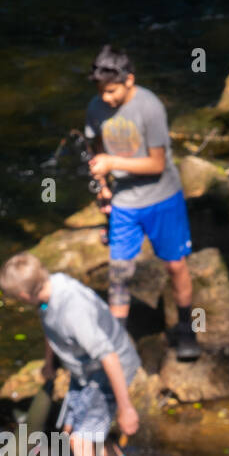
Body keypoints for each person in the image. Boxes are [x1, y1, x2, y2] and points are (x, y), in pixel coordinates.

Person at [85, 44, 201, 362]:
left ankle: (186, 327)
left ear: (129, 80)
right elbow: (95, 150)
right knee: (120, 271)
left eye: (111, 91)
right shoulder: (95, 109)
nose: (105, 98)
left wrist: (110, 163)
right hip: (124, 202)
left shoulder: (150, 108)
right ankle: (119, 343)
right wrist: (103, 188)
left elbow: (156, 164)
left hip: (162, 198)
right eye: (101, 91)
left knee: (176, 265)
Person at [0, 252, 144, 456]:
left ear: (23, 296)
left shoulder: (73, 311)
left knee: (80, 441)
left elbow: (109, 357)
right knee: (75, 431)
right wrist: (49, 362)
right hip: (84, 369)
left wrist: (126, 408)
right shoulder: (48, 291)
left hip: (108, 370)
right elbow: (49, 326)